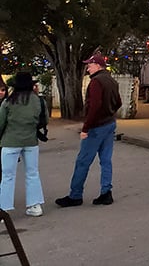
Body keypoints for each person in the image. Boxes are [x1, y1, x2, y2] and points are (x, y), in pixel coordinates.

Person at [56, 54, 122, 208]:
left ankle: (75, 195)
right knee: (106, 160)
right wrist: (110, 112)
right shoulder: (112, 81)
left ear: (98, 66)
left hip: (97, 127)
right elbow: (118, 102)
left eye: (90, 65)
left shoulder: (96, 82)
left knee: (83, 161)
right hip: (109, 123)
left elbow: (94, 106)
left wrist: (86, 128)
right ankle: (106, 192)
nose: (88, 67)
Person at [0, 72, 46, 216]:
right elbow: (43, 121)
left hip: (10, 142)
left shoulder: (8, 102)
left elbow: (1, 123)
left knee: (7, 176)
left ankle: (4, 210)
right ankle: (35, 206)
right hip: (31, 141)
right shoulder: (38, 101)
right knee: (32, 173)